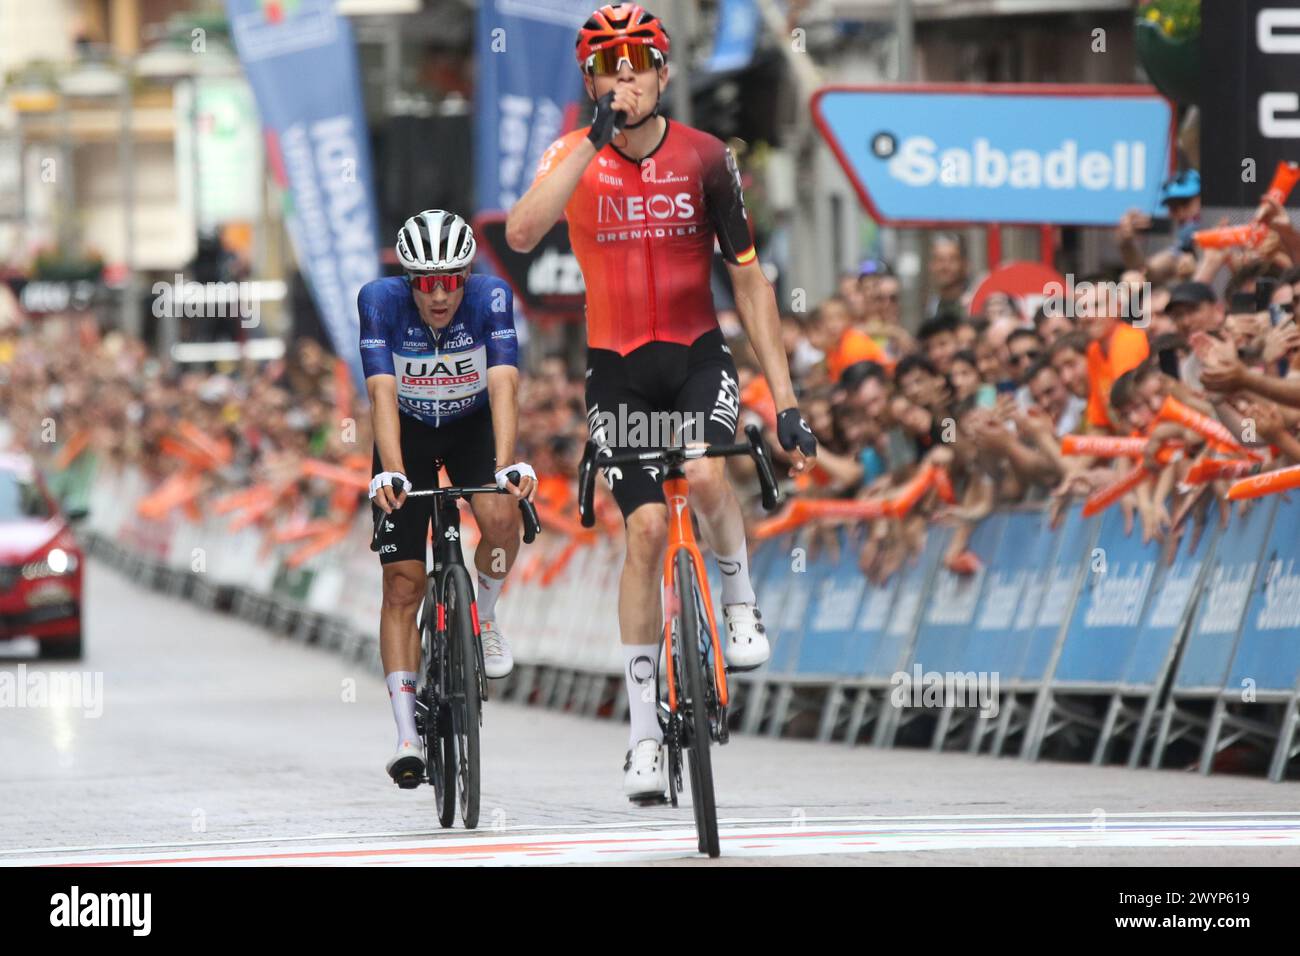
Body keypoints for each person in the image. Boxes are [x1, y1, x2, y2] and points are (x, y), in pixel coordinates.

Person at [505, 3, 816, 802]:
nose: (626, 78)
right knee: (643, 531)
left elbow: (748, 278)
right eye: (608, 66)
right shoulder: (571, 153)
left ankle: (740, 603)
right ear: (592, 81)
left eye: (638, 62)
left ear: (664, 74)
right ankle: (644, 735)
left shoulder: (707, 157)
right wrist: (591, 144)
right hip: (615, 366)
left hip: (695, 355)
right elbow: (521, 233)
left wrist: (785, 399)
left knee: (708, 475)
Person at [359, 209, 534, 787]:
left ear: (467, 276)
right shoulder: (379, 301)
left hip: (471, 427)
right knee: (403, 583)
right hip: (404, 430)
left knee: (501, 518)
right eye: (427, 282)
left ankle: (481, 618)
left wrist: (507, 462)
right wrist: (392, 472)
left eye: (451, 280)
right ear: (409, 281)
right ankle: (407, 734)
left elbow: (505, 380)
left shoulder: (491, 298)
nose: (440, 294)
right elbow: (382, 391)